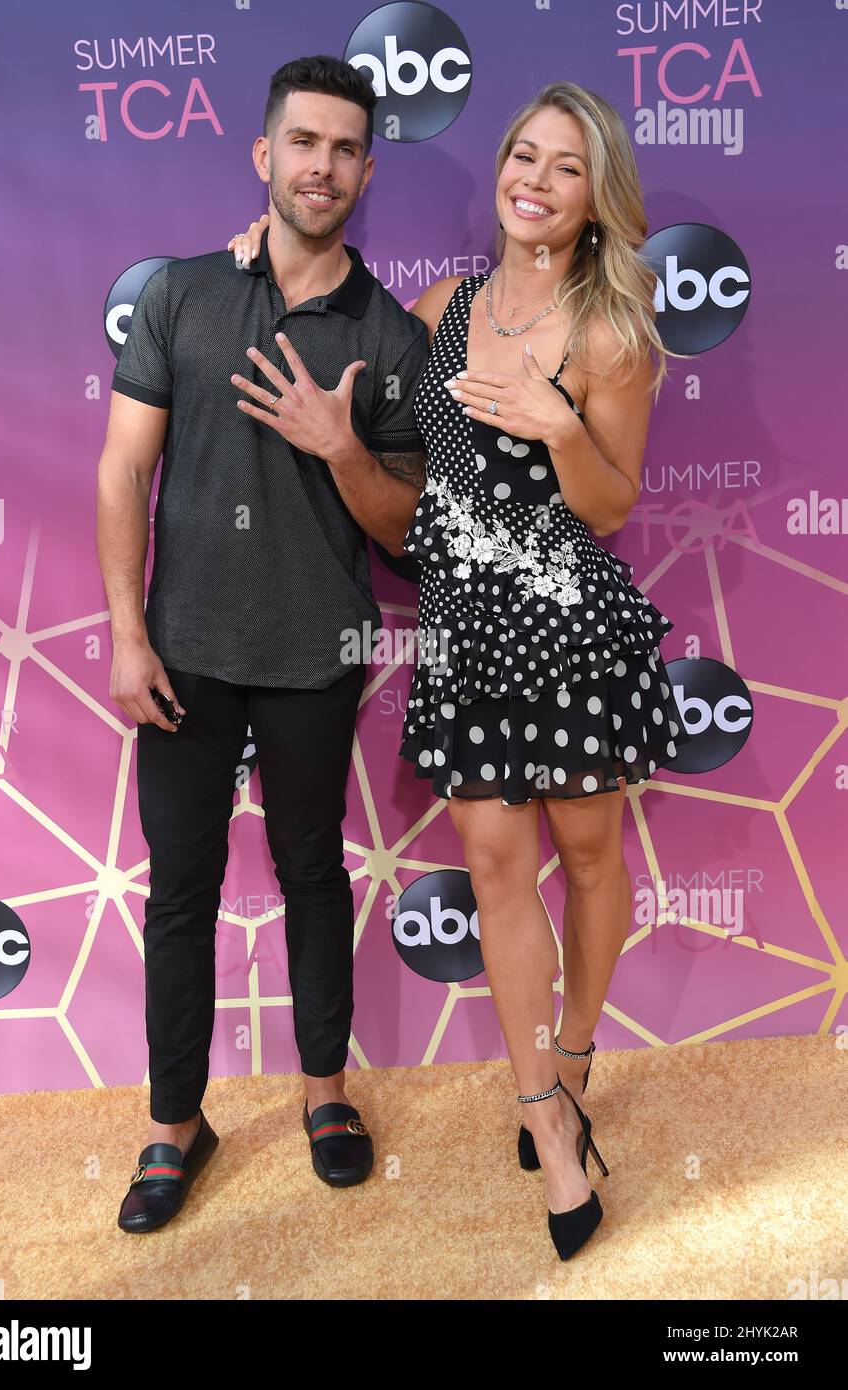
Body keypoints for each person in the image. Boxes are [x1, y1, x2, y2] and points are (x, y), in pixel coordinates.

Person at [227, 80, 692, 1259]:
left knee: (587, 857)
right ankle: (540, 1107)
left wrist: (553, 423)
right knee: (497, 869)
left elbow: (608, 503)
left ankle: (573, 1059)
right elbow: (335, 314)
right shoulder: (441, 304)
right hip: (468, 627)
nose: (532, 180)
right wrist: (256, 243)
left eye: (564, 168)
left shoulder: (611, 327)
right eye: (521, 157)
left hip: (566, 624)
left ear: (595, 202)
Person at [96, 54, 430, 1234]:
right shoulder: (183, 293)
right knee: (178, 891)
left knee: (310, 873)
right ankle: (174, 1123)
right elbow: (124, 465)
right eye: (304, 143)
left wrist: (340, 448)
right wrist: (128, 635)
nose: (322, 166)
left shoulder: (388, 333)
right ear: (264, 154)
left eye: (344, 149)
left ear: (365, 171)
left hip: (315, 654)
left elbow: (403, 531)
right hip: (181, 651)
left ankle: (324, 1092)